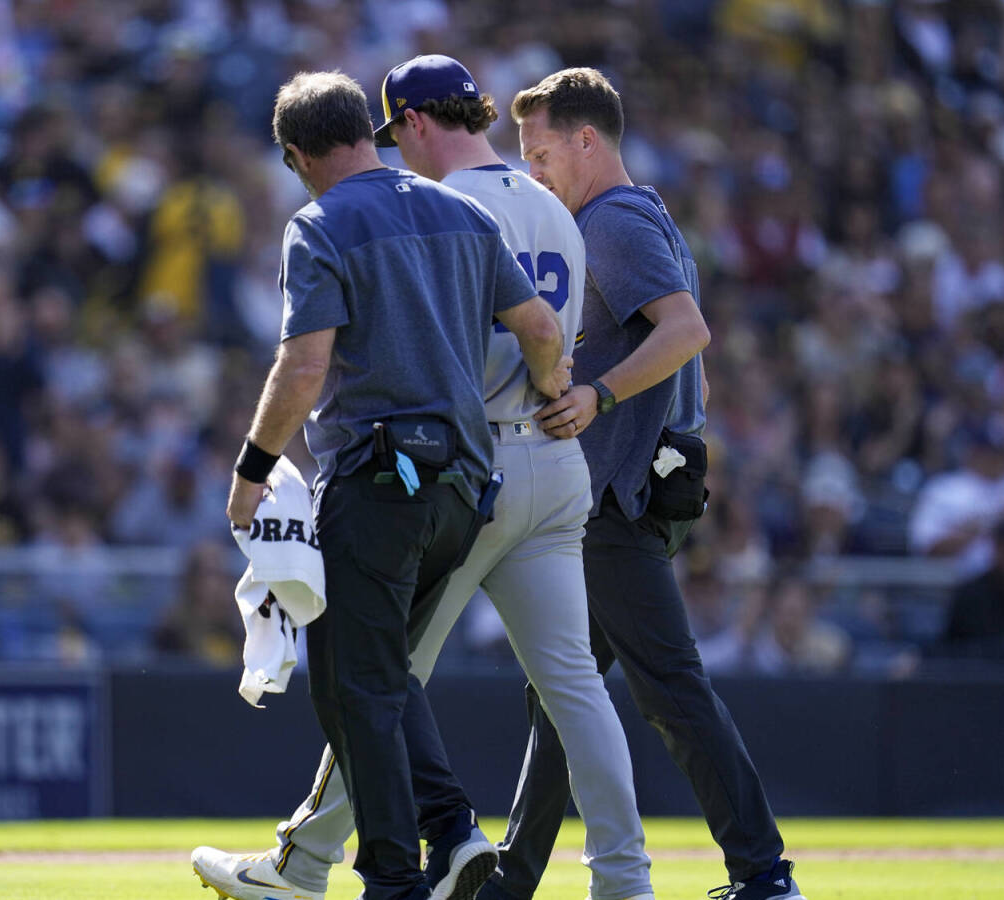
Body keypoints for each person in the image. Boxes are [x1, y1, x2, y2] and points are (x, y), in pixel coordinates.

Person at [192, 55, 652, 900]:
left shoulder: (420, 206)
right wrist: (564, 391)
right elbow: (549, 329)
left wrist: (259, 466)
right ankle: (624, 881)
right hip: (555, 452)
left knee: (372, 676)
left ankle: (363, 857)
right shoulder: (550, 205)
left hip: (447, 461)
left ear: (407, 123)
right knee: (573, 690)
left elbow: (328, 361)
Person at [476, 68, 804, 900]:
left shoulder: (611, 220)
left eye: (542, 151)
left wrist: (599, 391)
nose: (535, 171)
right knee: (560, 701)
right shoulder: (629, 213)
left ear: (588, 140)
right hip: (627, 493)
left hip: (611, 505)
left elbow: (688, 330)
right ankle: (512, 880)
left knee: (669, 691)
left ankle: (763, 872)